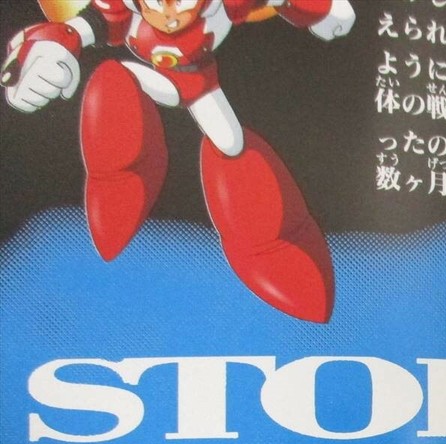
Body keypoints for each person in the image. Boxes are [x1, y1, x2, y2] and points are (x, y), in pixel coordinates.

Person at [2, 0, 354, 322]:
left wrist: (319, 10)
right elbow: (77, 28)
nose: (169, 15)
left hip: (200, 85)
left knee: (231, 145)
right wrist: (41, 54)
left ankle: (276, 248)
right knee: (114, 82)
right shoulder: (122, 7)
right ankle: (116, 189)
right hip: (152, 77)